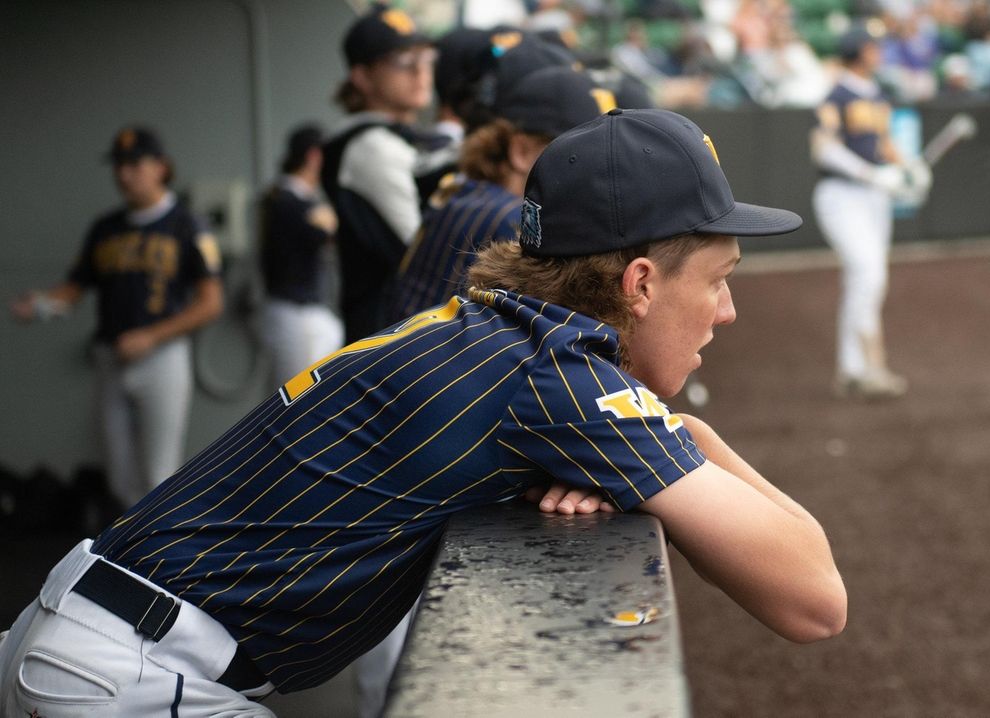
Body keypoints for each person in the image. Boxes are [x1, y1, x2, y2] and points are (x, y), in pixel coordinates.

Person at [0, 108, 846, 717]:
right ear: (641, 283)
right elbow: (815, 600)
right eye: (720, 276)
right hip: (123, 679)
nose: (727, 310)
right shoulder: (557, 373)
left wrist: (650, 449)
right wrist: (688, 437)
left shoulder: (496, 329)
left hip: (86, 640)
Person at [8, 126, 224, 507]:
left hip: (162, 358)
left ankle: (158, 562)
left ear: (160, 166)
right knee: (120, 481)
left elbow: (211, 303)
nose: (124, 174)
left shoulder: (186, 224)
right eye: (119, 165)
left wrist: (152, 337)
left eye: (134, 163)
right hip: (111, 359)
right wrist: (39, 305)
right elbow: (72, 291)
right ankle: (126, 560)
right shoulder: (105, 228)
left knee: (160, 478)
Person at [390, 65, 614, 321]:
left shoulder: (468, 192)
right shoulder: (514, 220)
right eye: (577, 157)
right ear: (522, 151)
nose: (593, 173)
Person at [323, 3, 449, 342]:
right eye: (404, 62)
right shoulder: (369, 146)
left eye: (426, 60)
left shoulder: (401, 138)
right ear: (362, 77)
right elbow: (423, 249)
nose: (421, 73)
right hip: (387, 333)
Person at [810, 26, 918, 399]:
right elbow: (823, 149)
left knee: (869, 279)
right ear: (858, 50)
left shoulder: (877, 93)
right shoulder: (836, 94)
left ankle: (852, 369)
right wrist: (869, 172)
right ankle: (872, 366)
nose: (880, 51)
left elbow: (884, 145)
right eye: (873, 46)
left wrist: (908, 167)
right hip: (841, 194)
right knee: (867, 273)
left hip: (873, 197)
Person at [257, 124, 344, 389]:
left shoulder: (281, 198)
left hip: (299, 311)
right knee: (299, 402)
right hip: (296, 313)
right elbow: (328, 231)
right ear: (314, 157)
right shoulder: (289, 201)